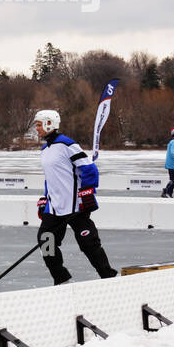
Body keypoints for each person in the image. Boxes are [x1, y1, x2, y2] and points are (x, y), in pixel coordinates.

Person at [33, 109, 117, 285]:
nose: (37, 128)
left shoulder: (67, 145)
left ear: (50, 124)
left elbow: (89, 169)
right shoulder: (44, 149)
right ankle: (61, 279)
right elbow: (51, 178)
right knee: (46, 243)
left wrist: (86, 193)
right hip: (54, 209)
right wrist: (44, 199)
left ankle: (108, 277)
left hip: (76, 208)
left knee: (89, 244)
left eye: (39, 125)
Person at [161, 126, 174, 198]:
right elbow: (173, 152)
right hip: (172, 164)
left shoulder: (173, 142)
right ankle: (166, 192)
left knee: (173, 179)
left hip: (173, 164)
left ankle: (168, 193)